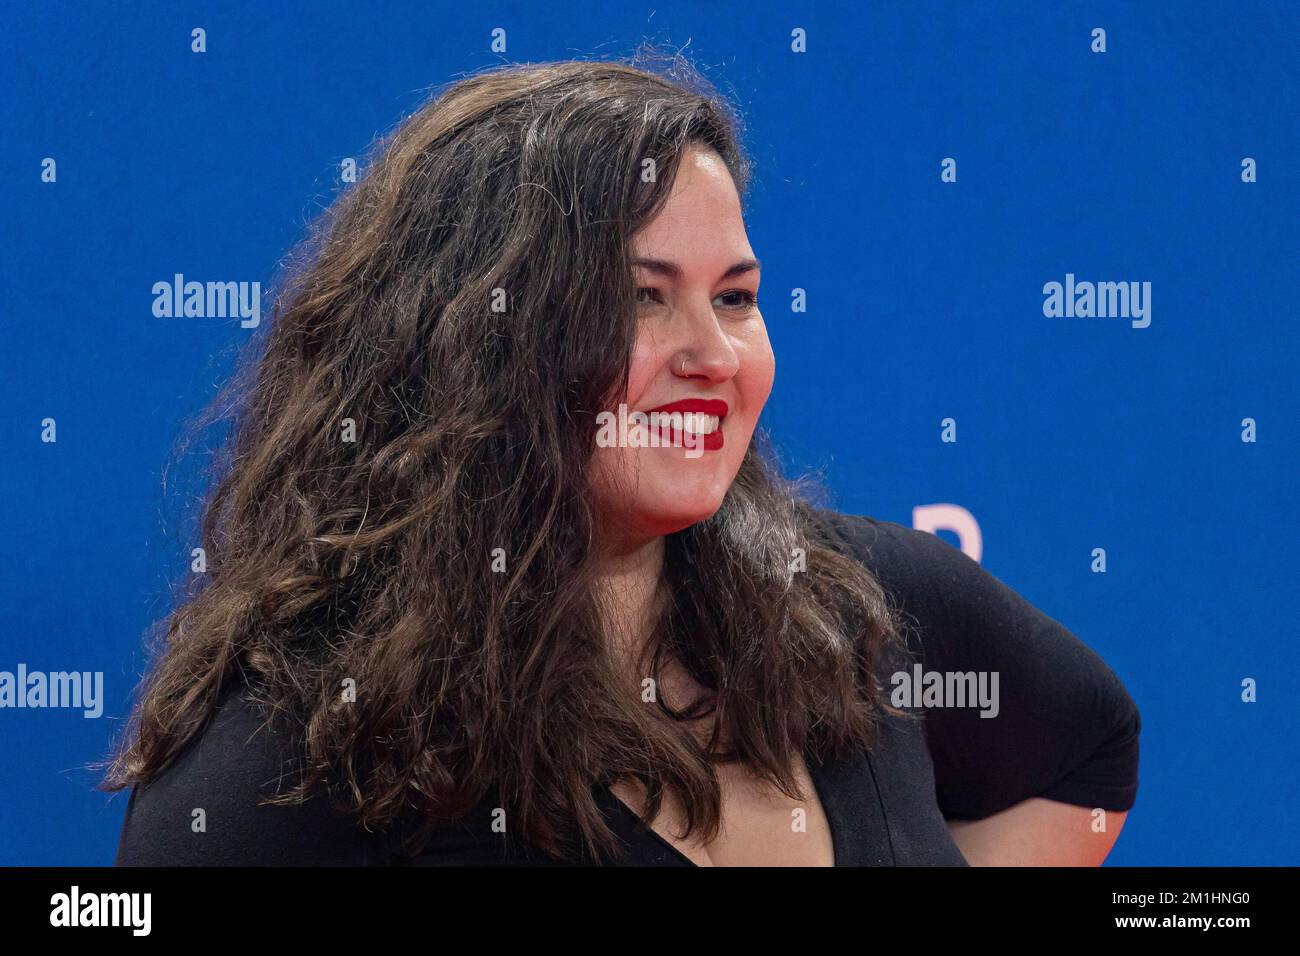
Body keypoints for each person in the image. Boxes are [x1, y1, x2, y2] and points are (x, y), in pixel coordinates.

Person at [104, 55, 1140, 867]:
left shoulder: (862, 603)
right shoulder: (293, 756)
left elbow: (1089, 749)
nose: (712, 356)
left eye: (733, 296)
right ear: (473, 336)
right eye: (640, 298)